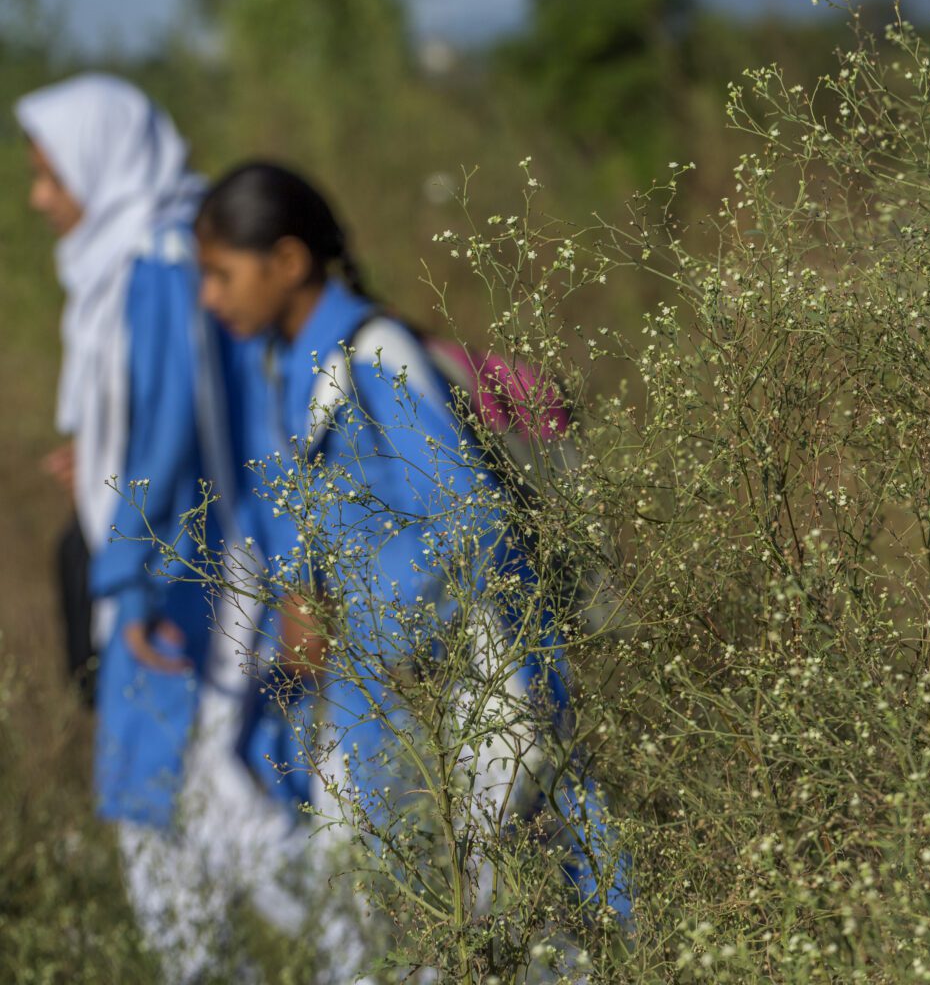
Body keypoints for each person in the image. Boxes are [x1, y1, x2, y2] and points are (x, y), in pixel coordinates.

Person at [194, 161, 631, 976]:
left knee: (498, 905)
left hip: (452, 681)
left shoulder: (373, 353)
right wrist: (304, 598)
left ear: (287, 261)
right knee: (393, 898)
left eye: (222, 274)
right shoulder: (288, 367)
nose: (211, 298)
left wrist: (382, 632)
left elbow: (468, 514)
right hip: (382, 694)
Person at [15, 75, 315, 982]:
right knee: (197, 803)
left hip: (186, 580)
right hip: (185, 564)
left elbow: (177, 425)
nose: (38, 198)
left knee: (201, 803)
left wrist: (130, 575)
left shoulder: (155, 259)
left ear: (100, 163)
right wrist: (99, 454)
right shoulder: (149, 252)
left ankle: (393, 952)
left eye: (50, 175)